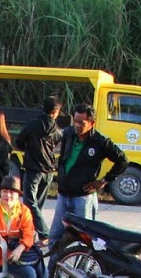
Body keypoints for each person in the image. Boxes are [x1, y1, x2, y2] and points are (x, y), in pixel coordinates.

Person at [46, 105, 128, 249]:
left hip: (83, 198)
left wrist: (103, 181)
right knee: (54, 237)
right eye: (75, 121)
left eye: (82, 123)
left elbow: (122, 160)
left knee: (85, 239)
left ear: (92, 123)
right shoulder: (69, 133)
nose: (77, 126)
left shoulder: (100, 141)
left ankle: (82, 270)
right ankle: (53, 269)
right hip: (63, 194)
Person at [14, 98, 63, 235]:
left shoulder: (33, 125)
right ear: (56, 112)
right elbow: (59, 143)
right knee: (37, 206)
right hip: (48, 171)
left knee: (30, 203)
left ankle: (43, 232)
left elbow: (19, 141)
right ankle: (31, 232)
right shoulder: (57, 130)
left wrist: (28, 150)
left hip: (33, 169)